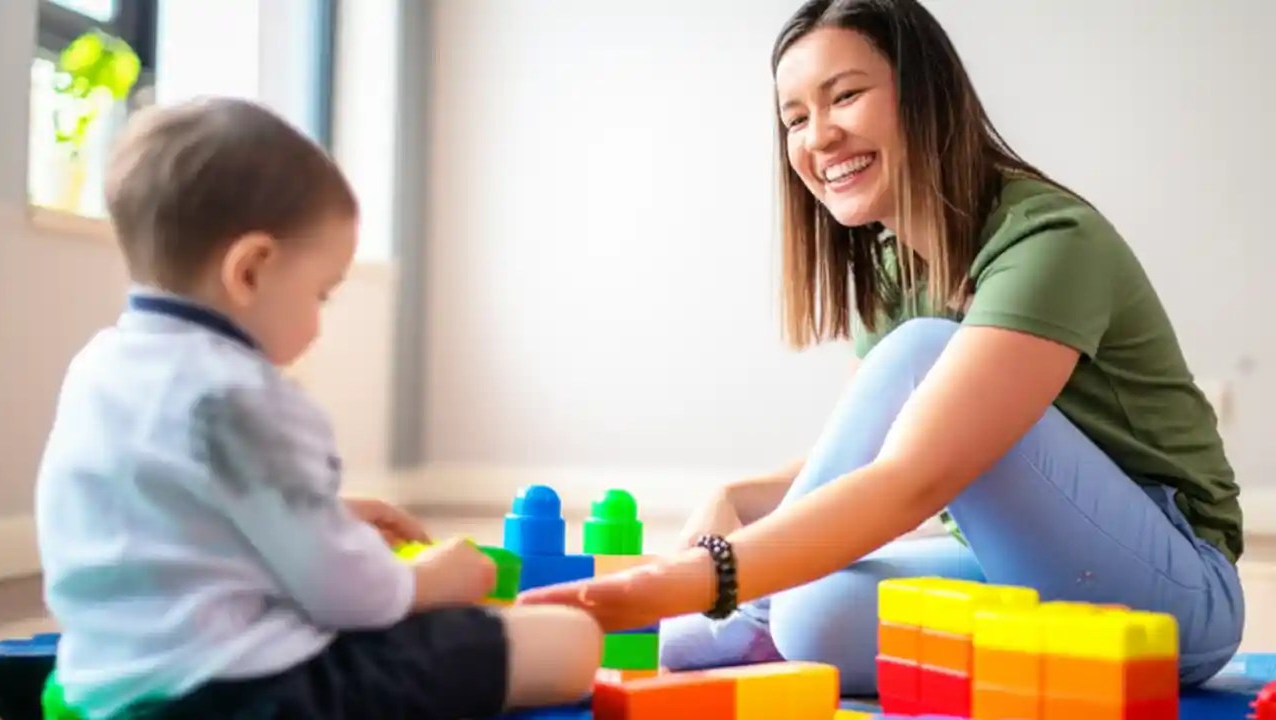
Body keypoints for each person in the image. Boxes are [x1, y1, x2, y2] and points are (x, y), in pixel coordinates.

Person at [517, 0, 1246, 693]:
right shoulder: (900, 268)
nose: (818, 136)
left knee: (925, 353)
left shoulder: (1048, 242)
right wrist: (735, 497)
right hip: (1018, 564)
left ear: (924, 96)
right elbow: (877, 454)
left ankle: (750, 618)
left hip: (1176, 594)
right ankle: (768, 619)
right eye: (795, 117)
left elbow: (912, 478)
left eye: (844, 96)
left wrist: (699, 578)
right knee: (811, 614)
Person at [34, 97, 601, 719]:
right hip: (247, 692)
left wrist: (321, 514)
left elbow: (162, 517)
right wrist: (435, 579)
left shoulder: (100, 366)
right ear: (250, 269)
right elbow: (347, 596)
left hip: (103, 684)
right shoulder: (242, 393)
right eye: (320, 294)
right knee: (568, 641)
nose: (318, 323)